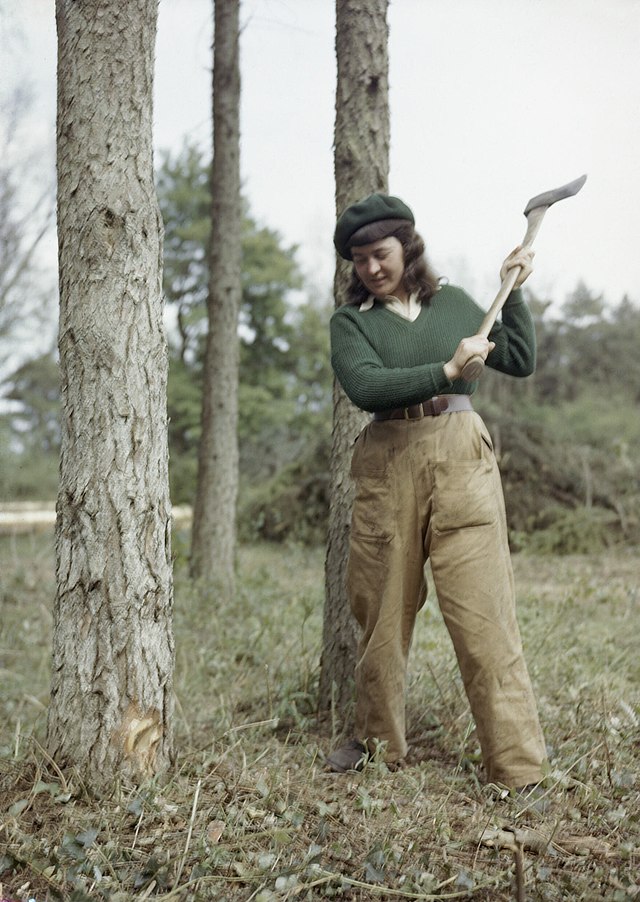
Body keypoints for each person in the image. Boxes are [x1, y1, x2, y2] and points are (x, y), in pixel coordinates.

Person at [326, 192, 546, 792]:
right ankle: (377, 744)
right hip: (386, 460)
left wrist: (514, 290)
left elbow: (521, 358)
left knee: (484, 615)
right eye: (360, 259)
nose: (372, 267)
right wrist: (447, 370)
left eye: (382, 252)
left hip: (460, 454)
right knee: (380, 612)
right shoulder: (352, 323)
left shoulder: (452, 305)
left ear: (407, 246)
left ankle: (519, 768)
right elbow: (367, 386)